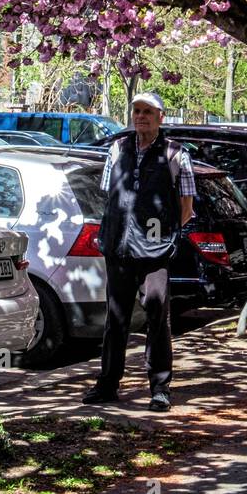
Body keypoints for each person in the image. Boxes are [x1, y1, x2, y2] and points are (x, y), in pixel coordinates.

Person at [83, 92, 196, 413]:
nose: (140, 117)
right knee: (115, 319)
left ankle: (160, 388)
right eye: (136, 111)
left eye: (147, 111)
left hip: (155, 250)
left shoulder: (176, 154)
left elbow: (186, 208)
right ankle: (107, 384)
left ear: (161, 117)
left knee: (158, 316)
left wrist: (163, 233)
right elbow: (110, 196)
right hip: (119, 247)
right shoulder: (117, 149)